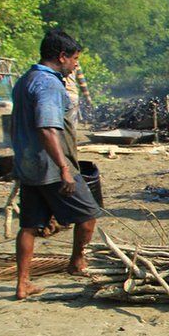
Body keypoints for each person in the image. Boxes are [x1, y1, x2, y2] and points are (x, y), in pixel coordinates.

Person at [11, 29, 100, 300]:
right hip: (51, 166)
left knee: (28, 226)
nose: (75, 65)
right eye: (74, 59)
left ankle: (22, 283)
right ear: (61, 57)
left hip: (28, 166)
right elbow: (48, 128)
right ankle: (76, 261)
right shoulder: (49, 84)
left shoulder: (25, 79)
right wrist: (64, 169)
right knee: (88, 216)